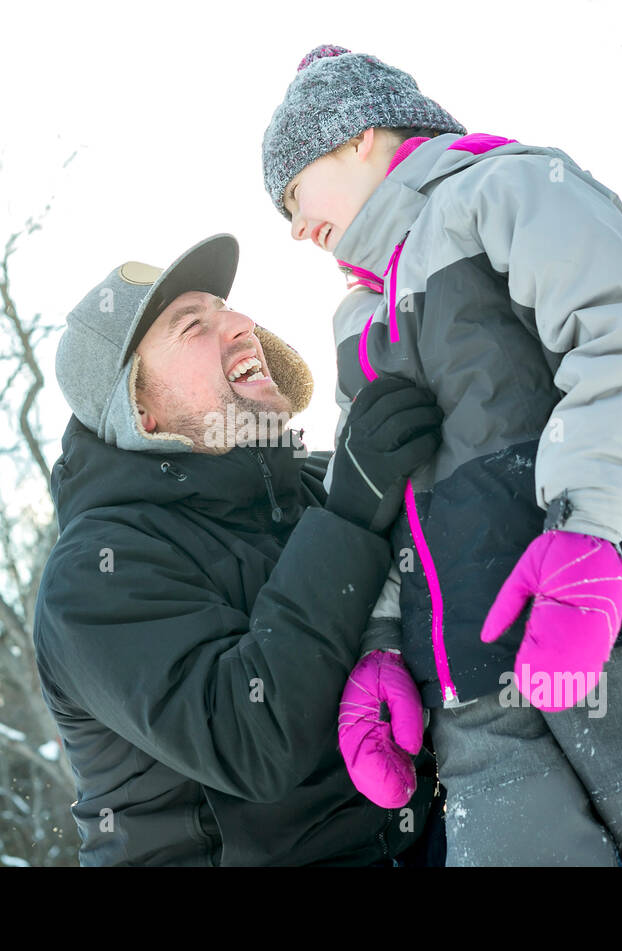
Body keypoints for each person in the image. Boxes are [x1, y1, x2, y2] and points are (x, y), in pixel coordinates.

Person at [259, 44, 622, 866]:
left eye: (293, 193)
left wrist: (583, 535)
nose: (295, 228)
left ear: (355, 136)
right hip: (465, 677)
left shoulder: (505, 189)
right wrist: (379, 646)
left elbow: (619, 344)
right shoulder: (356, 318)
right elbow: (381, 499)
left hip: (599, 616)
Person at [32, 233, 446, 865]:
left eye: (227, 308)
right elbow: (254, 741)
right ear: (141, 411)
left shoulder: (317, 488)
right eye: (191, 325)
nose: (242, 323)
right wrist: (351, 518)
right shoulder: (96, 574)